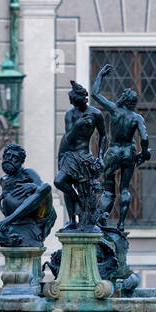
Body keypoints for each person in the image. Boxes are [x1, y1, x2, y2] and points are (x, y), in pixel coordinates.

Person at [91, 64, 151, 230]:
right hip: (129, 153)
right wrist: (145, 153)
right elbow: (144, 138)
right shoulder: (137, 117)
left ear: (123, 99)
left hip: (113, 152)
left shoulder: (114, 110)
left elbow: (95, 94)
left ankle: (101, 218)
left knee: (108, 190)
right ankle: (121, 224)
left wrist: (100, 76)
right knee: (125, 188)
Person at [0, 143, 55, 248]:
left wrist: (33, 186)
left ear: (21, 162)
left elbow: (43, 189)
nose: (10, 159)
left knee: (46, 187)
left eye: (14, 157)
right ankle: (8, 239)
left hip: (39, 214)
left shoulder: (28, 172)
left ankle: (8, 221)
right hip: (14, 221)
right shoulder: (3, 179)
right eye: (7, 156)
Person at [55, 80, 106, 231]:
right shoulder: (70, 114)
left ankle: (79, 219)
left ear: (80, 98)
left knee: (87, 191)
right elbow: (69, 138)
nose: (71, 101)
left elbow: (103, 136)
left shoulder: (96, 114)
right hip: (70, 155)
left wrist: (101, 157)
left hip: (85, 156)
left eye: (72, 98)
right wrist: (77, 125)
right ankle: (73, 216)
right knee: (60, 182)